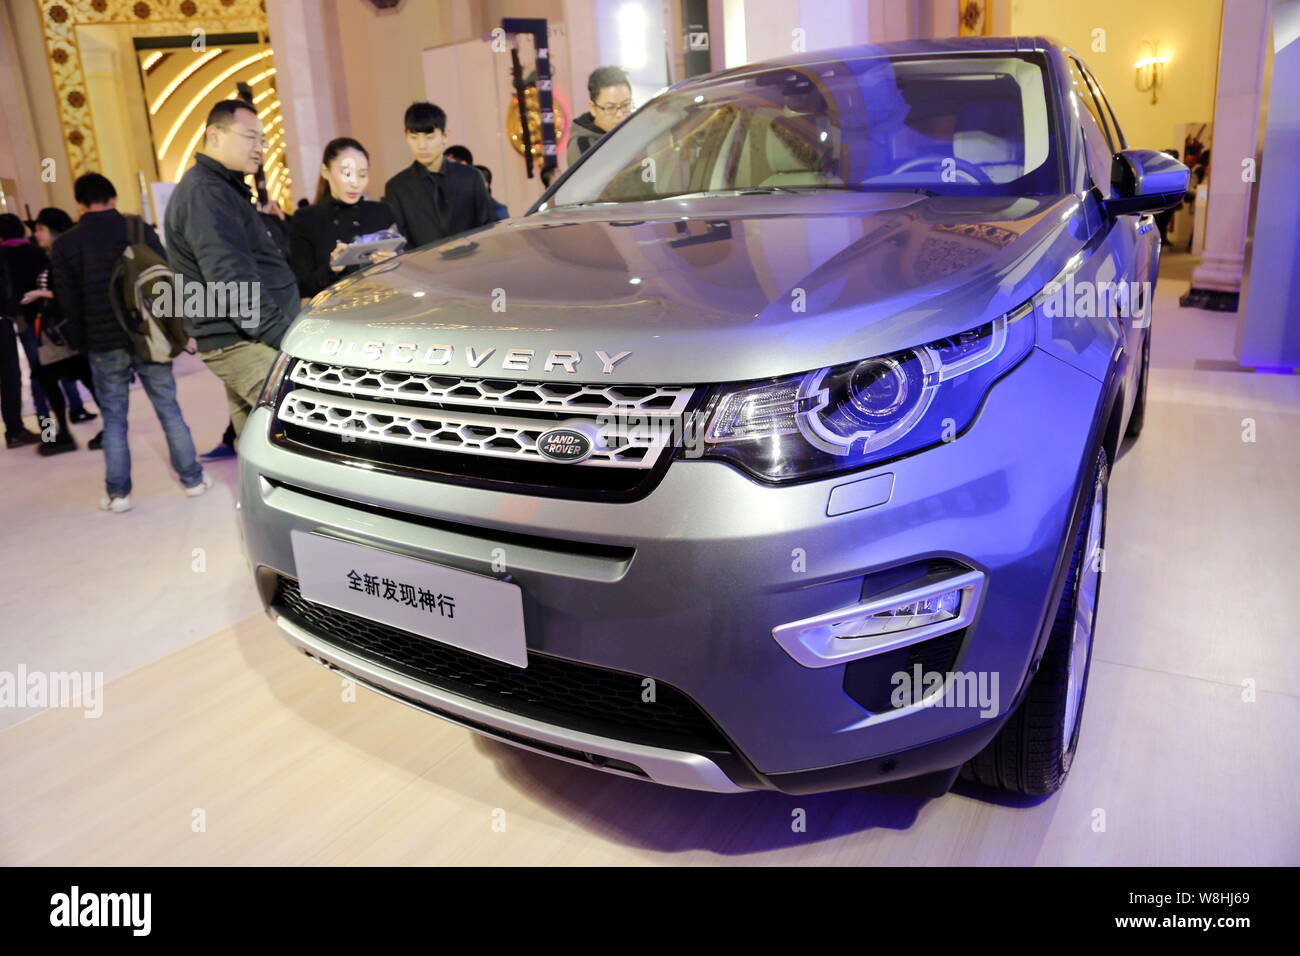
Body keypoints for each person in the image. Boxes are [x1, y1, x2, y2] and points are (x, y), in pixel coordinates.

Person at [49, 173, 209, 512]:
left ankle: (118, 494)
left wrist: (83, 341)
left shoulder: (66, 244)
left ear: (79, 203)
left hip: (102, 343)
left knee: (114, 418)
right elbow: (164, 277)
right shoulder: (136, 228)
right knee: (169, 409)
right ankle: (193, 480)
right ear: (114, 196)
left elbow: (67, 301)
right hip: (148, 337)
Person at [165, 99, 299, 439]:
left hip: (242, 336)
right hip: (241, 340)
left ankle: (254, 493)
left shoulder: (222, 188)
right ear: (215, 135)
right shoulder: (205, 193)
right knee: (299, 424)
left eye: (262, 141)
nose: (259, 149)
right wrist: (284, 338)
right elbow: (231, 281)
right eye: (251, 137)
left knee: (255, 439)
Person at [20, 207, 101, 455]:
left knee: (82, 380)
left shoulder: (64, 256)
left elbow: (75, 293)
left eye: (41, 229)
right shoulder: (49, 256)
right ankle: (62, 431)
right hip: (53, 335)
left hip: (66, 335)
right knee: (49, 382)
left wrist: (42, 294)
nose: (37, 234)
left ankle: (67, 431)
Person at [289, 137, 399, 298]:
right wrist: (331, 268)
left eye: (362, 175)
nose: (355, 183)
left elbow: (406, 267)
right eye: (347, 173)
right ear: (325, 172)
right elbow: (303, 285)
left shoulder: (382, 212)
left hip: (384, 306)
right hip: (334, 315)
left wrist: (394, 262)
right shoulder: (306, 219)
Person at [382, 102, 494, 248]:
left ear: (445, 135)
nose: (421, 146)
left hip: (472, 264)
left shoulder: (470, 177)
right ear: (406, 136)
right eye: (414, 137)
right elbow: (401, 243)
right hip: (423, 268)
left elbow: (489, 228)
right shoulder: (397, 188)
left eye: (429, 137)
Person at [0, 214, 43, 448]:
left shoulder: (5, 255)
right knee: (35, 376)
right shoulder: (34, 252)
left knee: (16, 377)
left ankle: (17, 430)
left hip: (14, 319)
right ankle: (46, 432)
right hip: (32, 319)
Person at [567, 66, 634, 165]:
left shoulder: (635, 129)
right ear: (593, 108)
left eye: (625, 105)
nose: (620, 114)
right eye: (610, 108)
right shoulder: (583, 146)